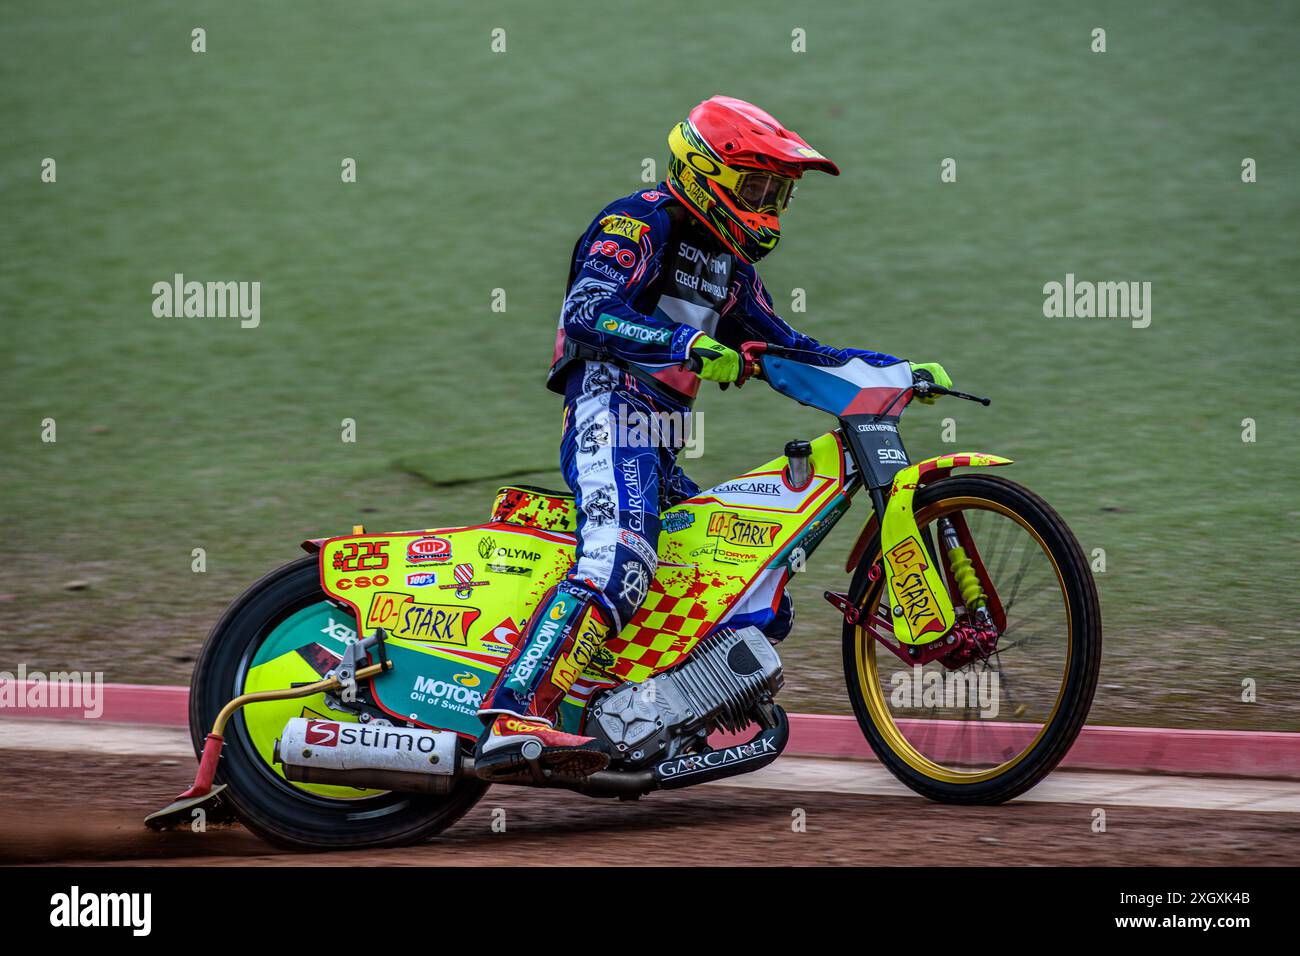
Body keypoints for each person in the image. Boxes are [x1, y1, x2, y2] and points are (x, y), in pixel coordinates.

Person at [474, 95, 951, 779]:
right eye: (758, 187)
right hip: (609, 411)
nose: (771, 206)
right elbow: (586, 314)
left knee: (718, 580)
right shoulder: (637, 220)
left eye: (779, 192)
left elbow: (786, 349)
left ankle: (639, 713)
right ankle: (513, 712)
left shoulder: (730, 265)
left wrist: (893, 371)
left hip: (660, 438)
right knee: (621, 560)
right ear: (705, 173)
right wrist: (685, 343)